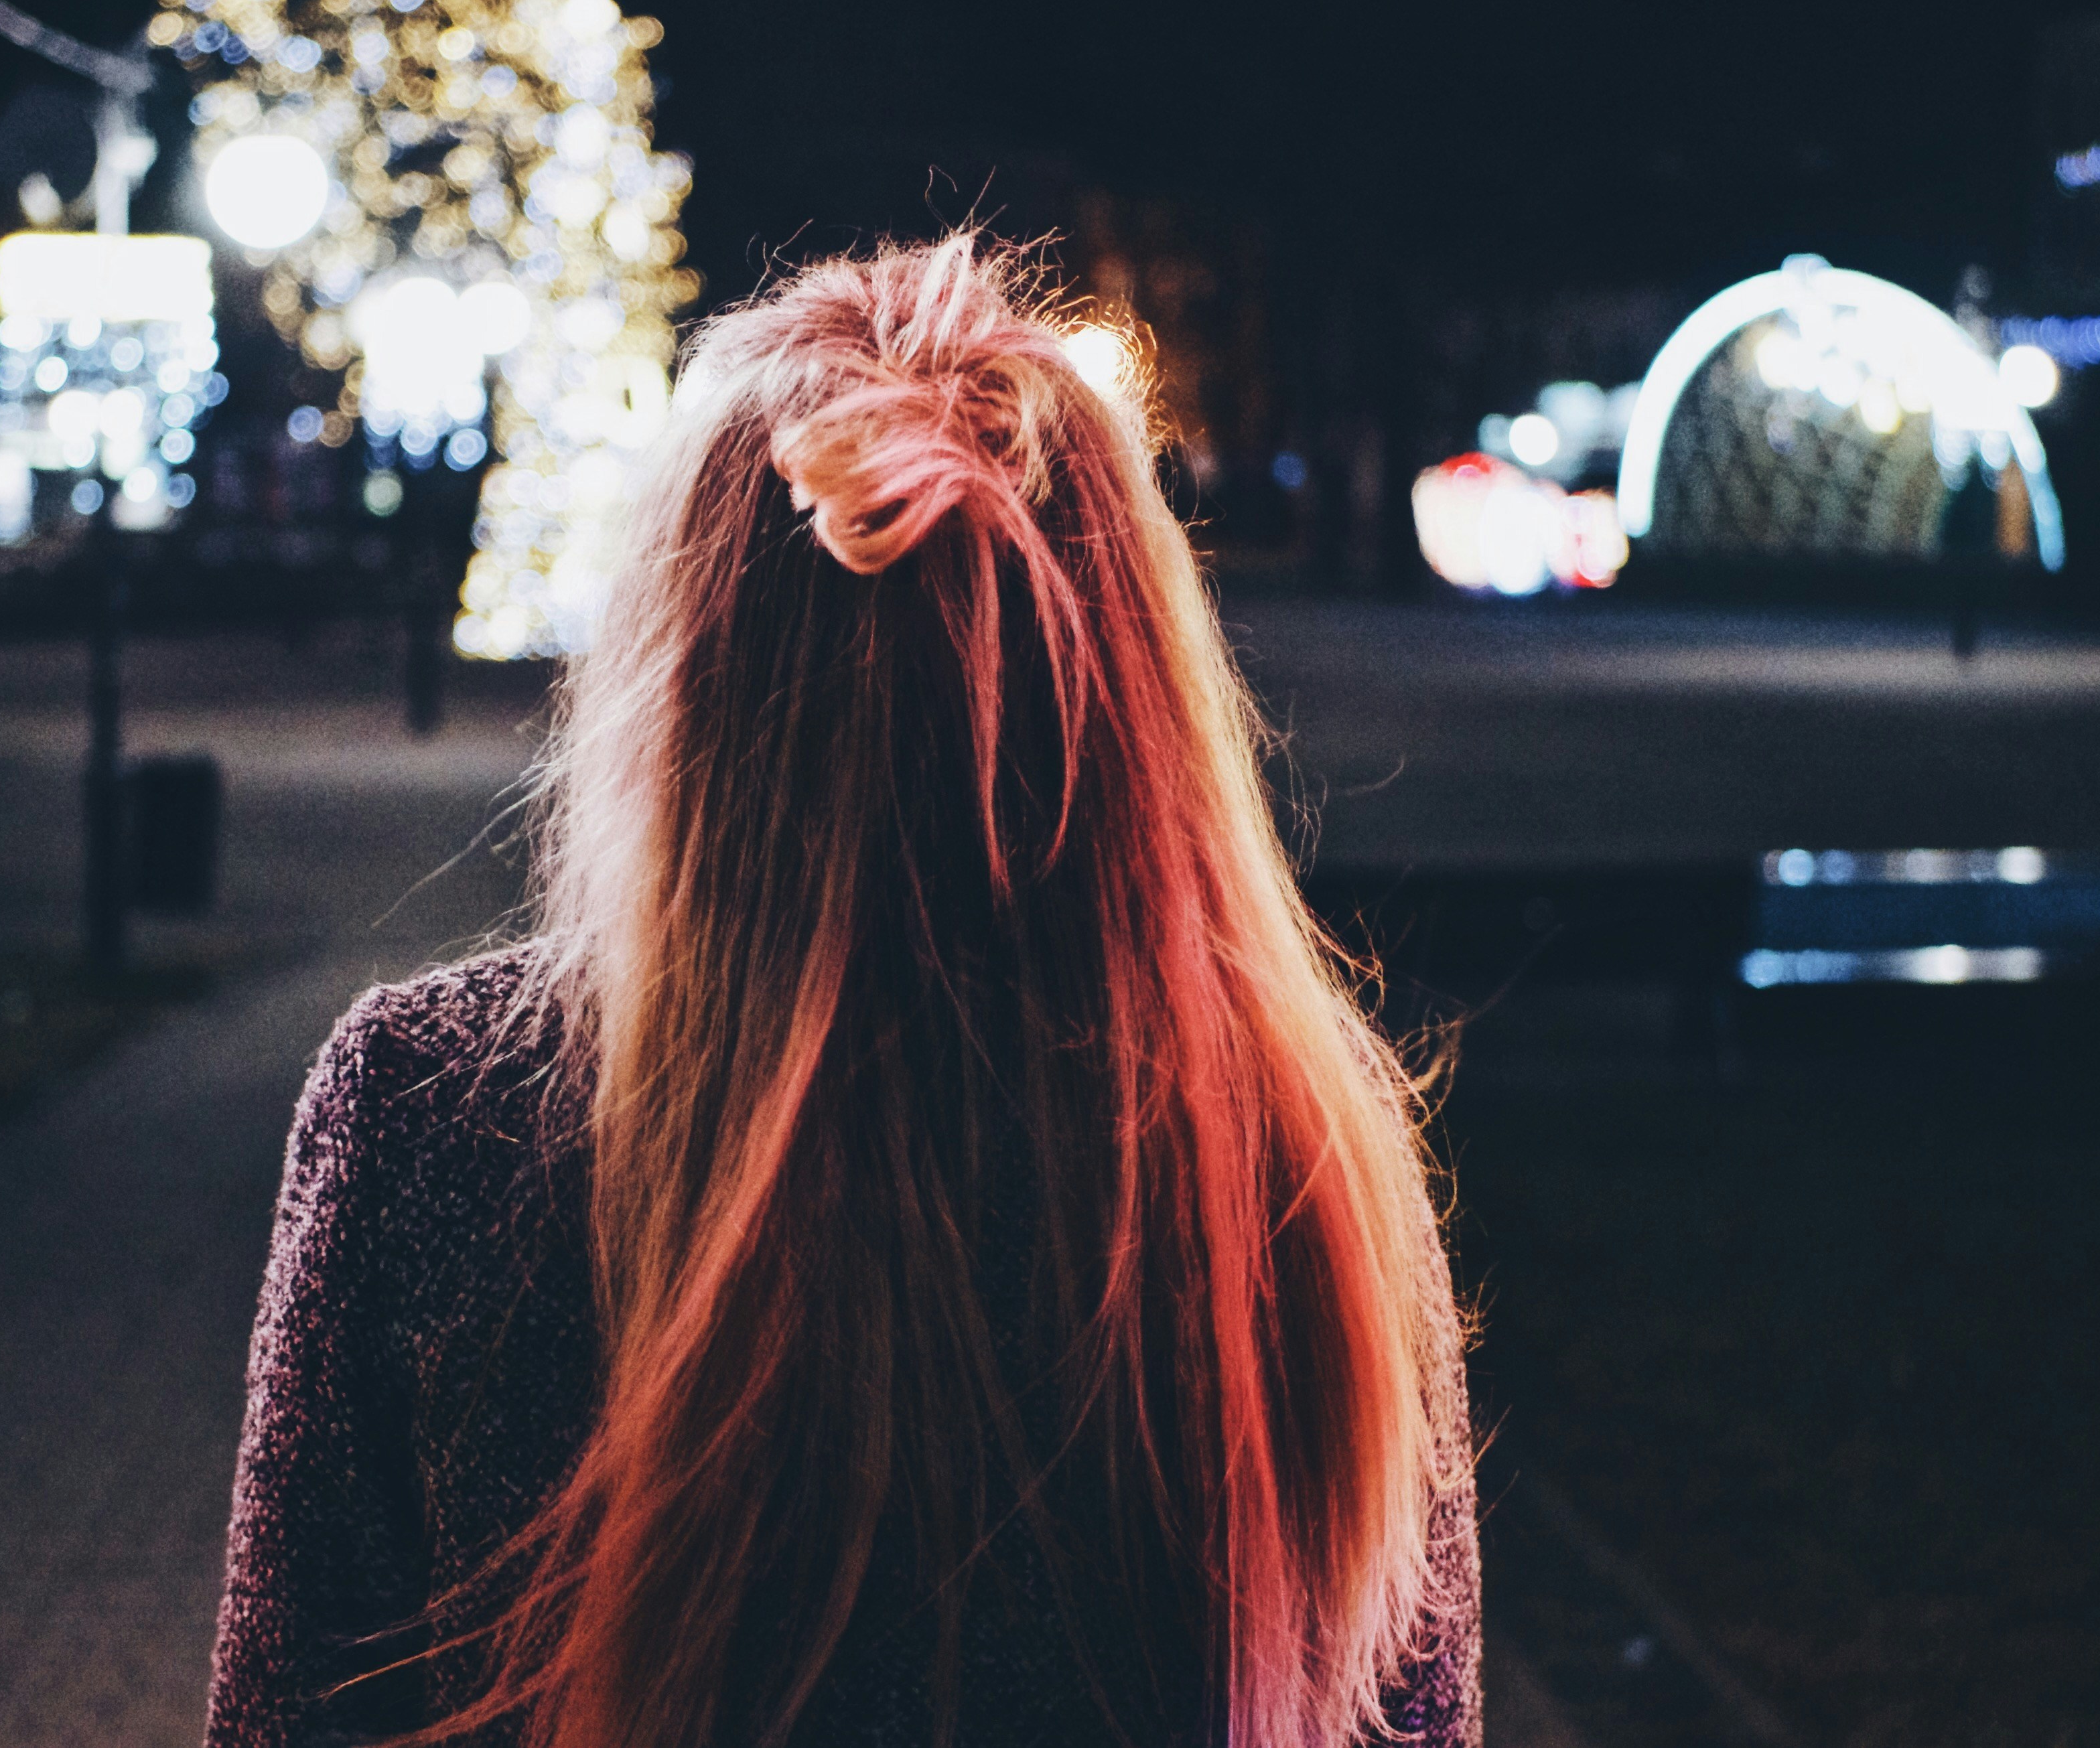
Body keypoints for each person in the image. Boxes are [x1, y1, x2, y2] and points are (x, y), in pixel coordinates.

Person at [204, 237, 1481, 1748]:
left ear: (678, 662)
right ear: (1134, 668)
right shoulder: (1288, 1126)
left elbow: (287, 1717)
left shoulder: (435, 1109)